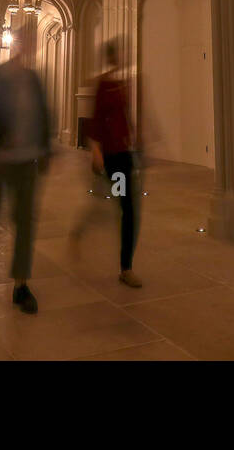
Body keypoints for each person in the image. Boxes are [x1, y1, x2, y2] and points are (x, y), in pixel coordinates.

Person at [0, 25, 52, 314]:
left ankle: (21, 285)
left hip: (27, 160)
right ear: (16, 43)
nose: (30, 46)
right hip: (1, 158)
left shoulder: (34, 79)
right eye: (27, 40)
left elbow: (44, 114)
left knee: (25, 222)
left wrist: (45, 150)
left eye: (34, 42)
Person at [72, 39, 142, 287]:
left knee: (122, 208)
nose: (125, 56)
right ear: (113, 56)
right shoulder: (103, 84)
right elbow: (96, 119)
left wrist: (136, 140)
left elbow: (126, 116)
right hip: (111, 155)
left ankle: (125, 266)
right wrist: (96, 151)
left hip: (125, 153)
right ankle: (125, 267)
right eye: (121, 53)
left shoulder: (124, 83)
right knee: (122, 208)